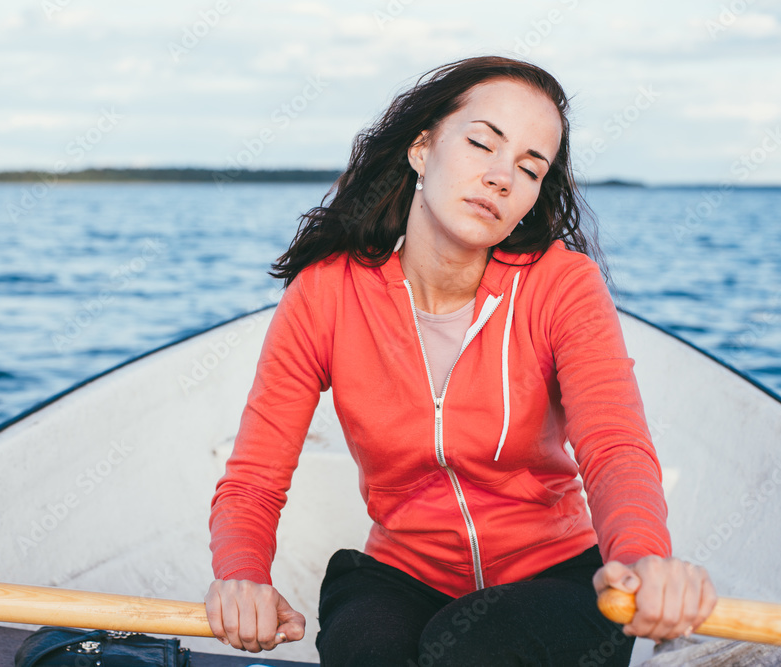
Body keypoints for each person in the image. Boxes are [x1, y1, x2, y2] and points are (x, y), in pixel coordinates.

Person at [204, 55, 717, 666]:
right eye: (482, 143)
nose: (503, 177)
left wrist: (639, 560)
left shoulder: (562, 285)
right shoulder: (325, 294)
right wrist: (242, 576)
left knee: (474, 649)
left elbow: (614, 446)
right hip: (401, 576)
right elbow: (254, 480)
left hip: (558, 578)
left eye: (530, 169)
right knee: (366, 648)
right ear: (423, 148)